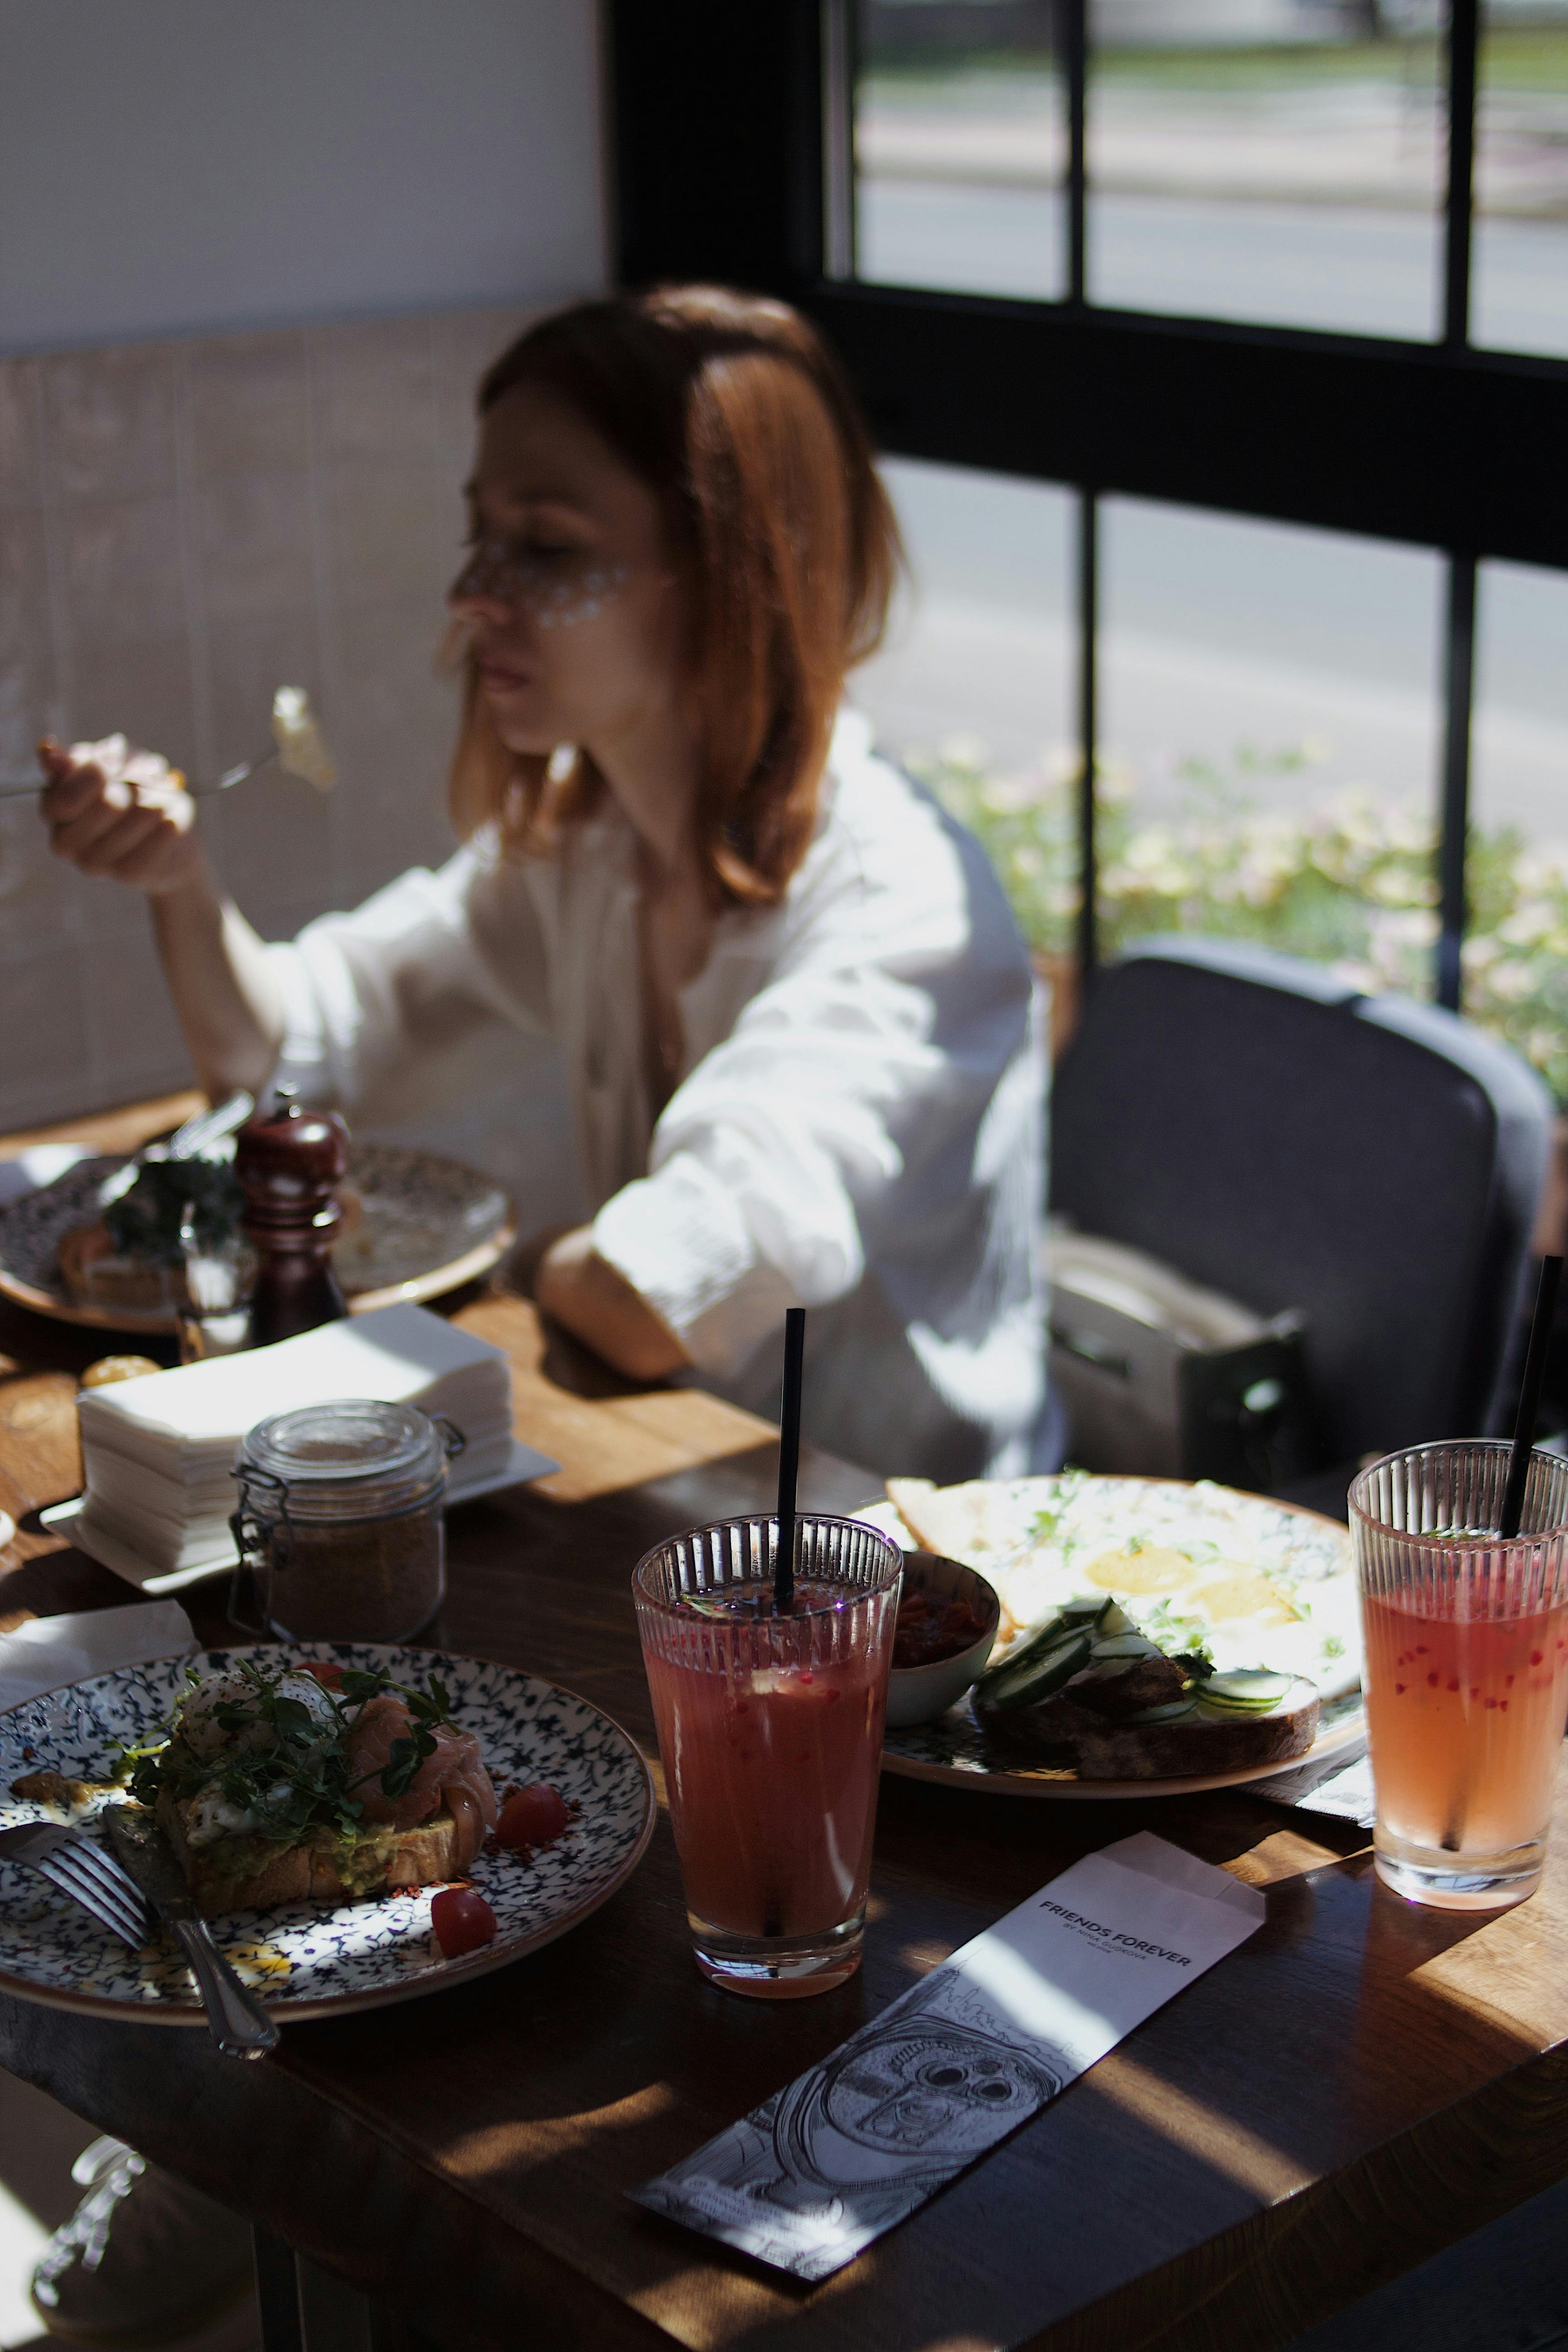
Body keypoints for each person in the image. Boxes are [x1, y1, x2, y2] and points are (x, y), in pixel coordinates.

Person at [39, 285, 1049, 1481]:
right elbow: (283, 1056)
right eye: (482, 533)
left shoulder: (907, 911)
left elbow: (659, 1291)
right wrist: (179, 880)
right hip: (683, 1495)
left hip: (912, 1571)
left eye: (549, 545)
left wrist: (523, 1265)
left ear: (731, 571)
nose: (475, 591)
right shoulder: (588, 844)